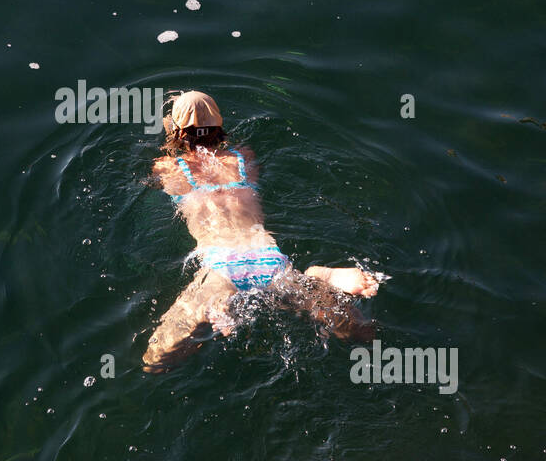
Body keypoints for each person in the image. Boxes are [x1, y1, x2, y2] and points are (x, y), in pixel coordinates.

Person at [143, 91, 383, 372]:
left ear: (177, 130)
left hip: (220, 267)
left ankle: (218, 305)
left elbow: (165, 178)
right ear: (219, 124)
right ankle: (315, 277)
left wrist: (172, 143)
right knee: (363, 332)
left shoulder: (167, 167)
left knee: (155, 361)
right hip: (268, 258)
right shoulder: (242, 156)